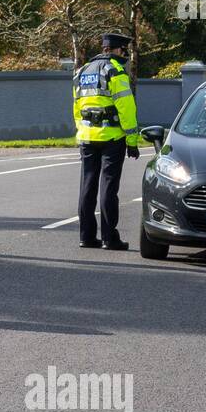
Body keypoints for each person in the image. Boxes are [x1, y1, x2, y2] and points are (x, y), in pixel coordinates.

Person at [72, 33, 140, 251]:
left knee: (87, 186)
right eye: (125, 52)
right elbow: (126, 108)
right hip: (112, 138)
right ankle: (110, 238)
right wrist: (132, 140)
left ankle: (86, 236)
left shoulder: (82, 72)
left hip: (87, 137)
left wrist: (81, 131)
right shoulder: (115, 71)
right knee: (108, 188)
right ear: (119, 50)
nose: (125, 56)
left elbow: (77, 107)